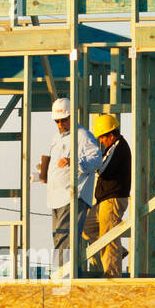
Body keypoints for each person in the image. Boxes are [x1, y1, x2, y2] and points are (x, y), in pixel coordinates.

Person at [31, 97, 103, 275]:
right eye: (57, 121)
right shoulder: (56, 139)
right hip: (55, 197)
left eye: (63, 120)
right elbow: (56, 167)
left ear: (72, 116)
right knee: (59, 236)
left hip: (73, 195)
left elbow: (97, 160)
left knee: (66, 238)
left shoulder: (82, 136)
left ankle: (65, 276)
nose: (60, 123)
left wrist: (74, 161)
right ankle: (66, 272)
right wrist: (39, 175)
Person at [90, 113, 131, 277]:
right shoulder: (113, 147)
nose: (101, 141)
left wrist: (89, 163)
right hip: (104, 200)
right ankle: (118, 251)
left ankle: (112, 275)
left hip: (112, 199)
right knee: (85, 227)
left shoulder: (118, 147)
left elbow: (102, 168)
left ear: (111, 135)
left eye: (102, 137)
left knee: (108, 236)